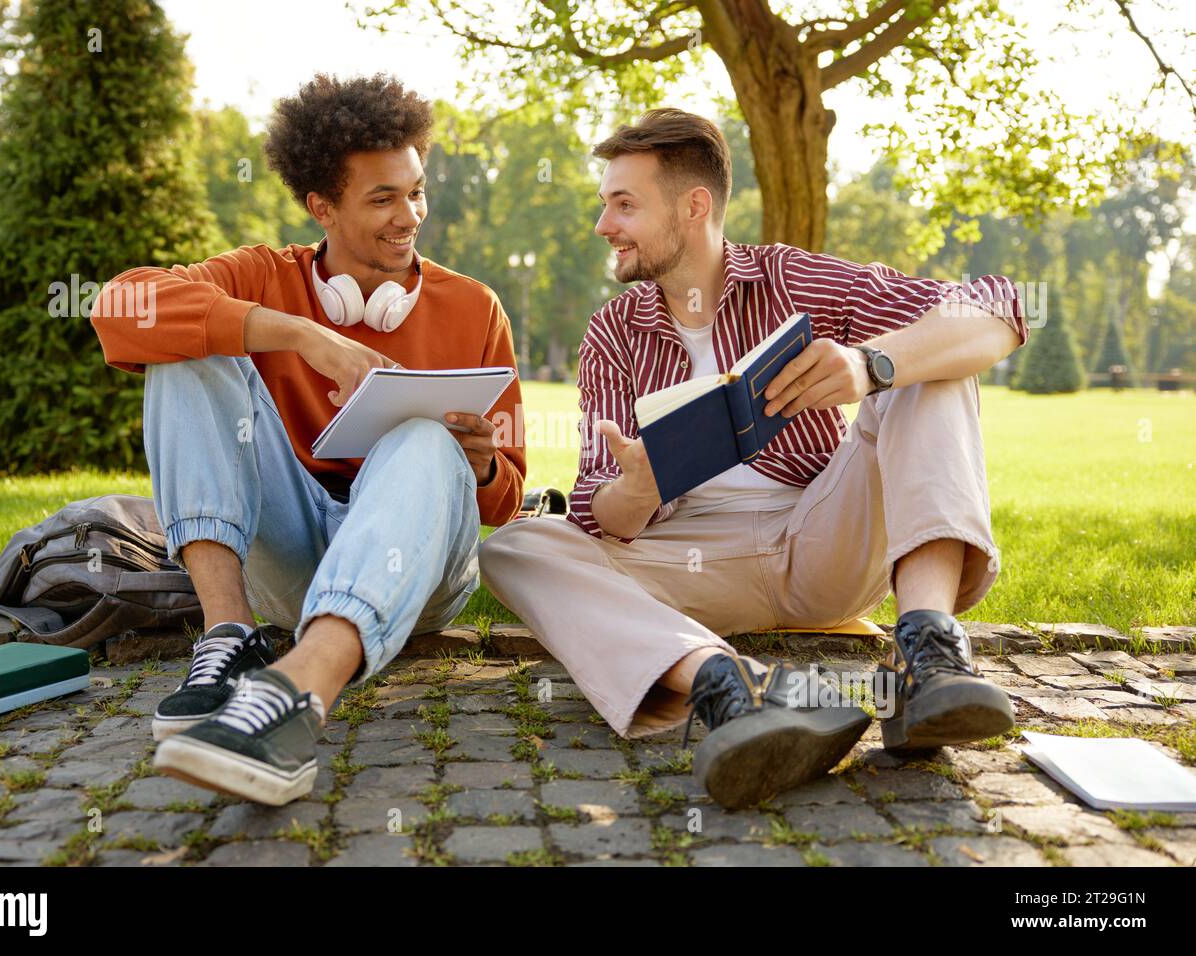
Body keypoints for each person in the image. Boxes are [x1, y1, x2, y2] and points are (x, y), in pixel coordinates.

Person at [479, 108, 1025, 810]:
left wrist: (870, 364)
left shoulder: (790, 279)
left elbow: (996, 306)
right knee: (517, 546)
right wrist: (638, 487)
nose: (603, 224)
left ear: (693, 206)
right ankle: (739, 689)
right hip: (686, 564)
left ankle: (927, 657)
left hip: (818, 538)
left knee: (930, 367)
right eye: (605, 204)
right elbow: (599, 512)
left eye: (623, 204)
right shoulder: (613, 331)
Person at [90, 74, 525, 805]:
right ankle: (228, 642)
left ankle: (297, 692)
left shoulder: (476, 307)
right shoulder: (263, 276)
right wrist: (297, 334)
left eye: (416, 192)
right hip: (293, 554)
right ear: (322, 206)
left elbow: (507, 501)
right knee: (188, 348)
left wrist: (480, 467)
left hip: (418, 569)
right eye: (382, 199)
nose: (409, 216)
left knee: (424, 438)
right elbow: (121, 308)